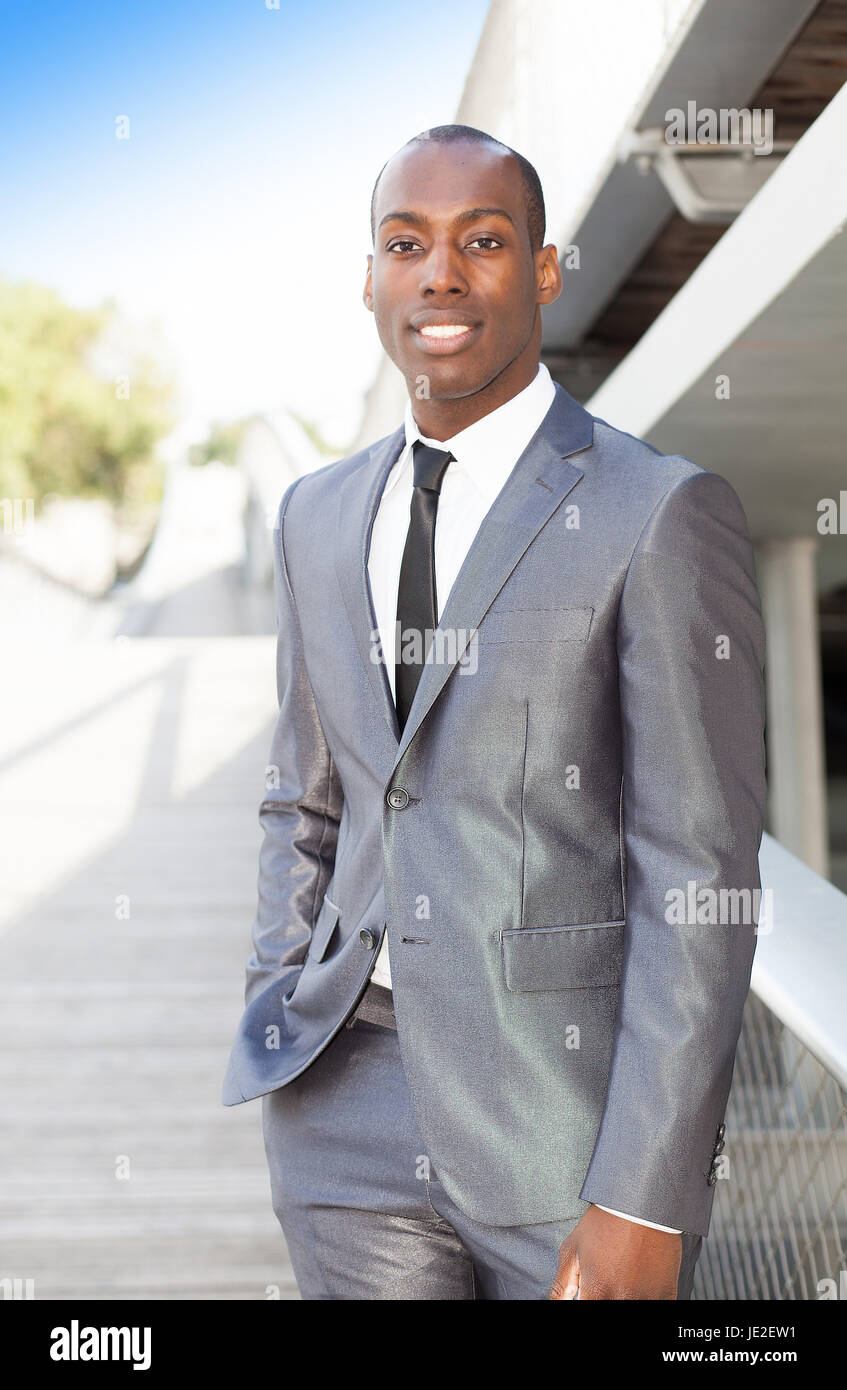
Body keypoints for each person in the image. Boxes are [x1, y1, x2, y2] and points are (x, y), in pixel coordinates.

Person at [222, 123, 767, 1301]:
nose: (441, 275)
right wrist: (278, 996)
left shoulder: (658, 511)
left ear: (545, 268)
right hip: (339, 1107)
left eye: (483, 241)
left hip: (560, 1130)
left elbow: (699, 873)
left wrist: (644, 1194)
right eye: (405, 243)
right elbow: (302, 796)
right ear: (369, 278)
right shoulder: (314, 515)